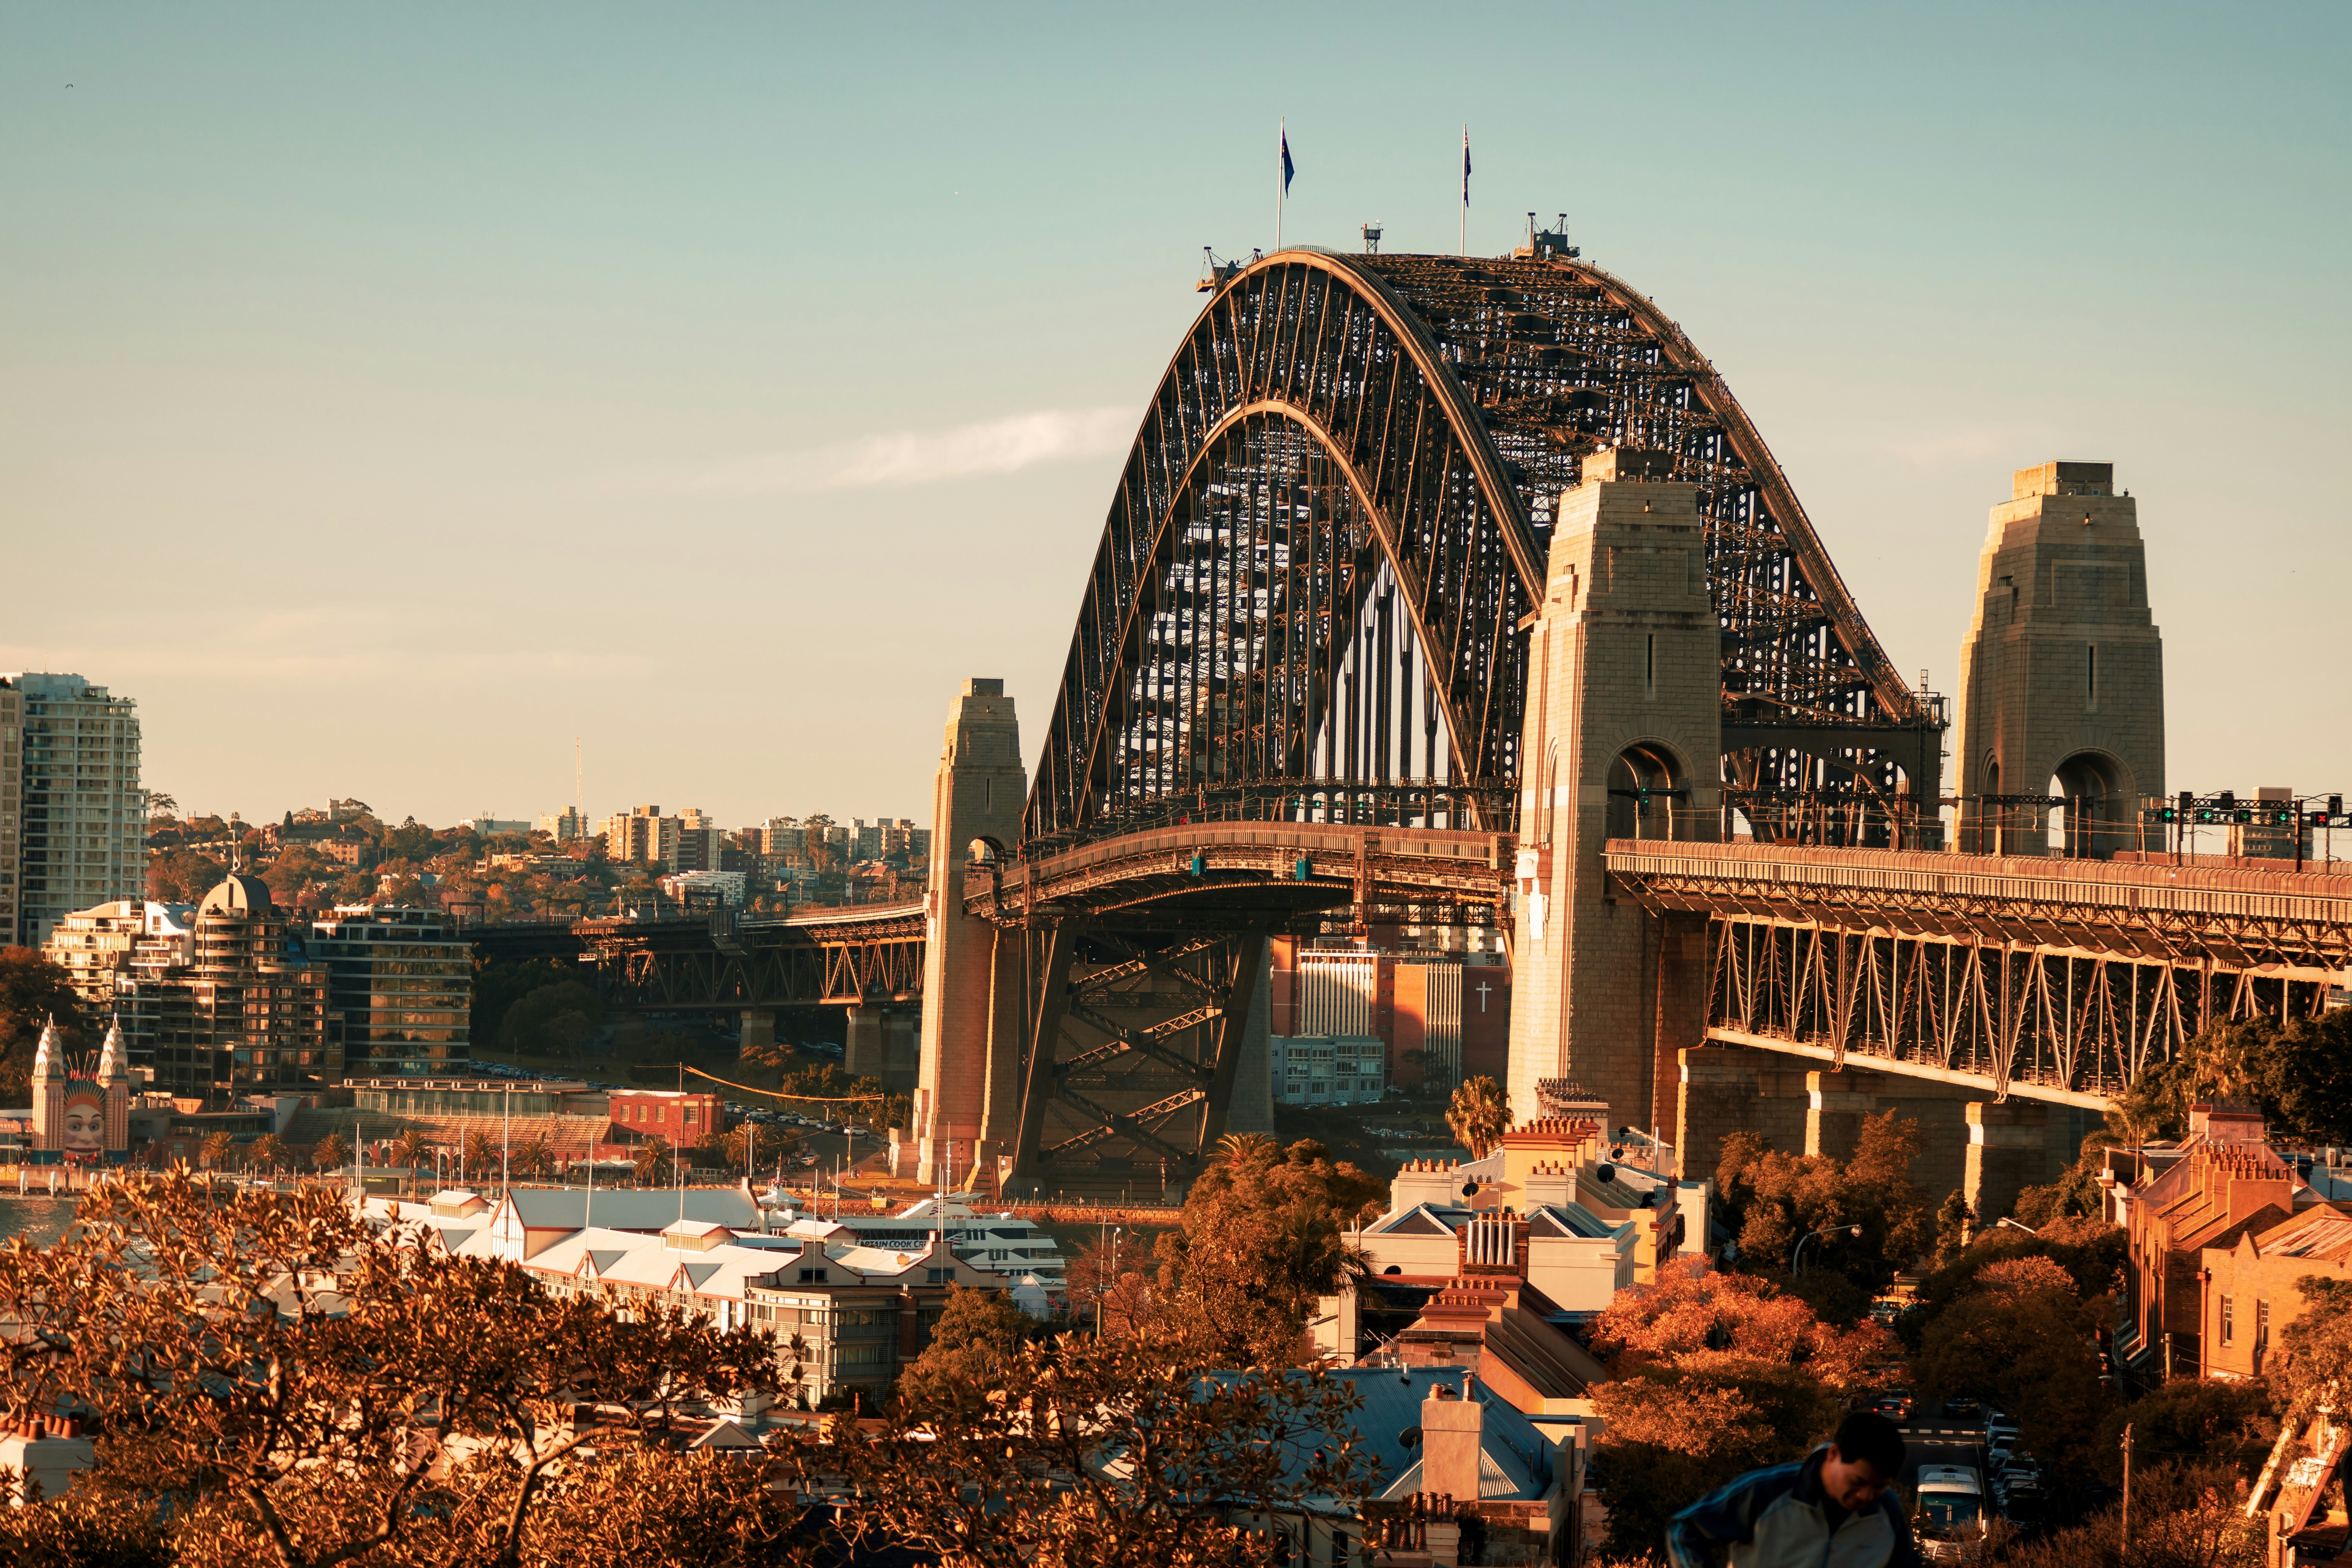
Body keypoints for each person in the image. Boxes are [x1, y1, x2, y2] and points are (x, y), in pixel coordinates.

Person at [1668, 1410, 1917, 1568]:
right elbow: (1685, 1528)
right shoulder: (1766, 1492)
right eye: (1858, 1482)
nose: (1866, 1496)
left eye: (1879, 1487)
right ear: (1833, 1454)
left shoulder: (1888, 1510)